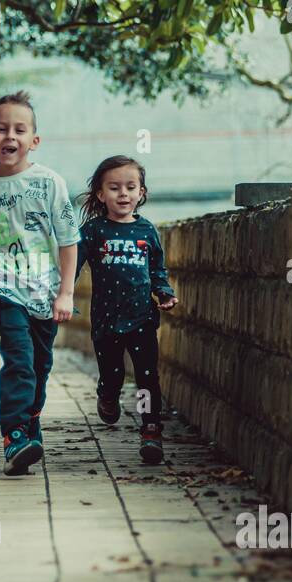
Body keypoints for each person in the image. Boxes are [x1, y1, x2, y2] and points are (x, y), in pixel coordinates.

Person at [0, 91, 79, 476]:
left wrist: (66, 292)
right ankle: (14, 435)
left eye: (19, 129)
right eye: (1, 128)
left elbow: (68, 238)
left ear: (33, 140)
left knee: (41, 363)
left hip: (44, 286)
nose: (10, 136)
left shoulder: (50, 183)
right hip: (1, 282)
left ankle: (30, 423)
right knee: (19, 357)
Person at [73, 155, 178, 464]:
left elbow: (157, 269)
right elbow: (73, 265)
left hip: (142, 317)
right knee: (113, 373)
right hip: (106, 319)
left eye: (131, 187)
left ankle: (150, 430)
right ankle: (107, 393)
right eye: (114, 187)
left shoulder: (147, 231)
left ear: (141, 193)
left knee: (147, 377)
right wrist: (60, 292)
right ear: (100, 195)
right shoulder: (92, 231)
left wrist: (164, 293)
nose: (123, 194)